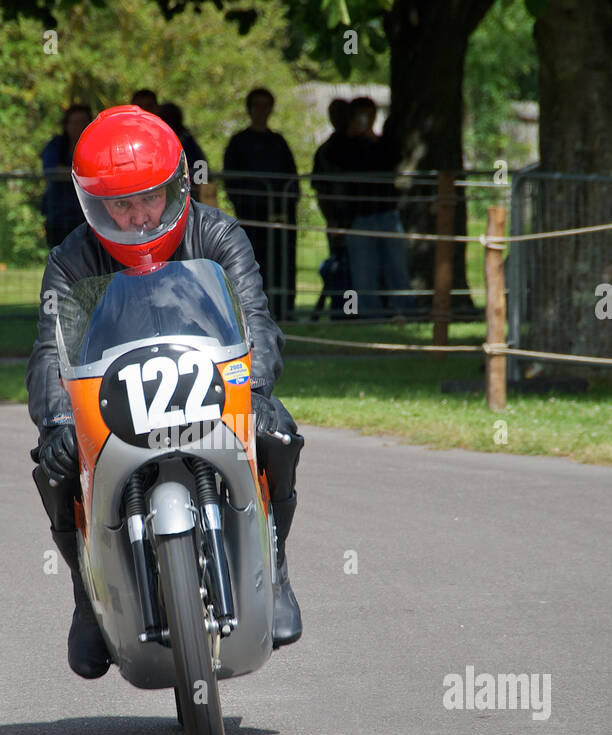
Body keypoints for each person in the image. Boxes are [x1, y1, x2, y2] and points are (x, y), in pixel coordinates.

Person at [27, 104, 305, 679]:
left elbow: (255, 320)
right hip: (115, 403)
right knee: (53, 469)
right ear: (94, 205)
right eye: (120, 204)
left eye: (149, 197)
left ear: (177, 186)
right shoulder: (70, 260)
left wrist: (254, 390)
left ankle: (275, 569)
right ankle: (85, 596)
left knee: (278, 433)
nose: (137, 217)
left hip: (214, 388)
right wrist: (57, 423)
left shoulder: (218, 233)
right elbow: (50, 350)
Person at [223, 88, 299, 323]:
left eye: (266, 105)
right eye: (257, 105)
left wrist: (286, 205)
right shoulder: (238, 142)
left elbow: (292, 180)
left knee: (281, 263)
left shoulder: (278, 142)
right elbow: (231, 180)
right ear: (249, 108)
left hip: (278, 217)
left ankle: (284, 310)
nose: (261, 110)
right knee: (253, 264)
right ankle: (254, 313)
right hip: (251, 218)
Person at [338, 98, 412, 320]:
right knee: (364, 273)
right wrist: (349, 138)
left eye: (368, 115)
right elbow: (336, 162)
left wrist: (372, 139)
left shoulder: (384, 143)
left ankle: (406, 312)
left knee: (397, 267)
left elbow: (393, 161)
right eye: (360, 115)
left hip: (387, 214)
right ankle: (371, 316)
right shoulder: (343, 144)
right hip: (359, 218)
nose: (365, 120)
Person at [310, 99, 353, 317]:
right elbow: (321, 191)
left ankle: (352, 312)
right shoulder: (326, 151)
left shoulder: (359, 146)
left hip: (361, 218)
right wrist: (333, 221)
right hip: (338, 219)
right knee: (339, 268)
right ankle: (342, 312)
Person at [40, 104, 92, 248]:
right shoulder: (57, 145)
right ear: (66, 125)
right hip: (58, 215)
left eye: (83, 123)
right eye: (74, 123)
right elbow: (50, 169)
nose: (79, 127)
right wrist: (83, 174)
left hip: (88, 215)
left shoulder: (95, 147)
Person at [157, 102, 208, 202]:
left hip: (189, 191)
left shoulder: (186, 141)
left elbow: (200, 164)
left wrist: (200, 187)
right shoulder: (167, 141)